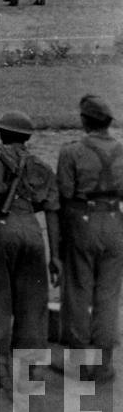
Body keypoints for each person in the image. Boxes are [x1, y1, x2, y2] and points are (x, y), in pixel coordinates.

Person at [0, 111, 59, 389]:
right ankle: (29, 371)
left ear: (2, 133)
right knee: (32, 302)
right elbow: (52, 210)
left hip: (2, 230)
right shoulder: (41, 166)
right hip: (33, 232)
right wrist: (55, 255)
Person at [56, 94, 122, 384]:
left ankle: (81, 365)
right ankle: (104, 364)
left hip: (83, 221)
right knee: (109, 295)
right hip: (115, 221)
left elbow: (65, 194)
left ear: (84, 121)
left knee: (78, 293)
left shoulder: (71, 151)